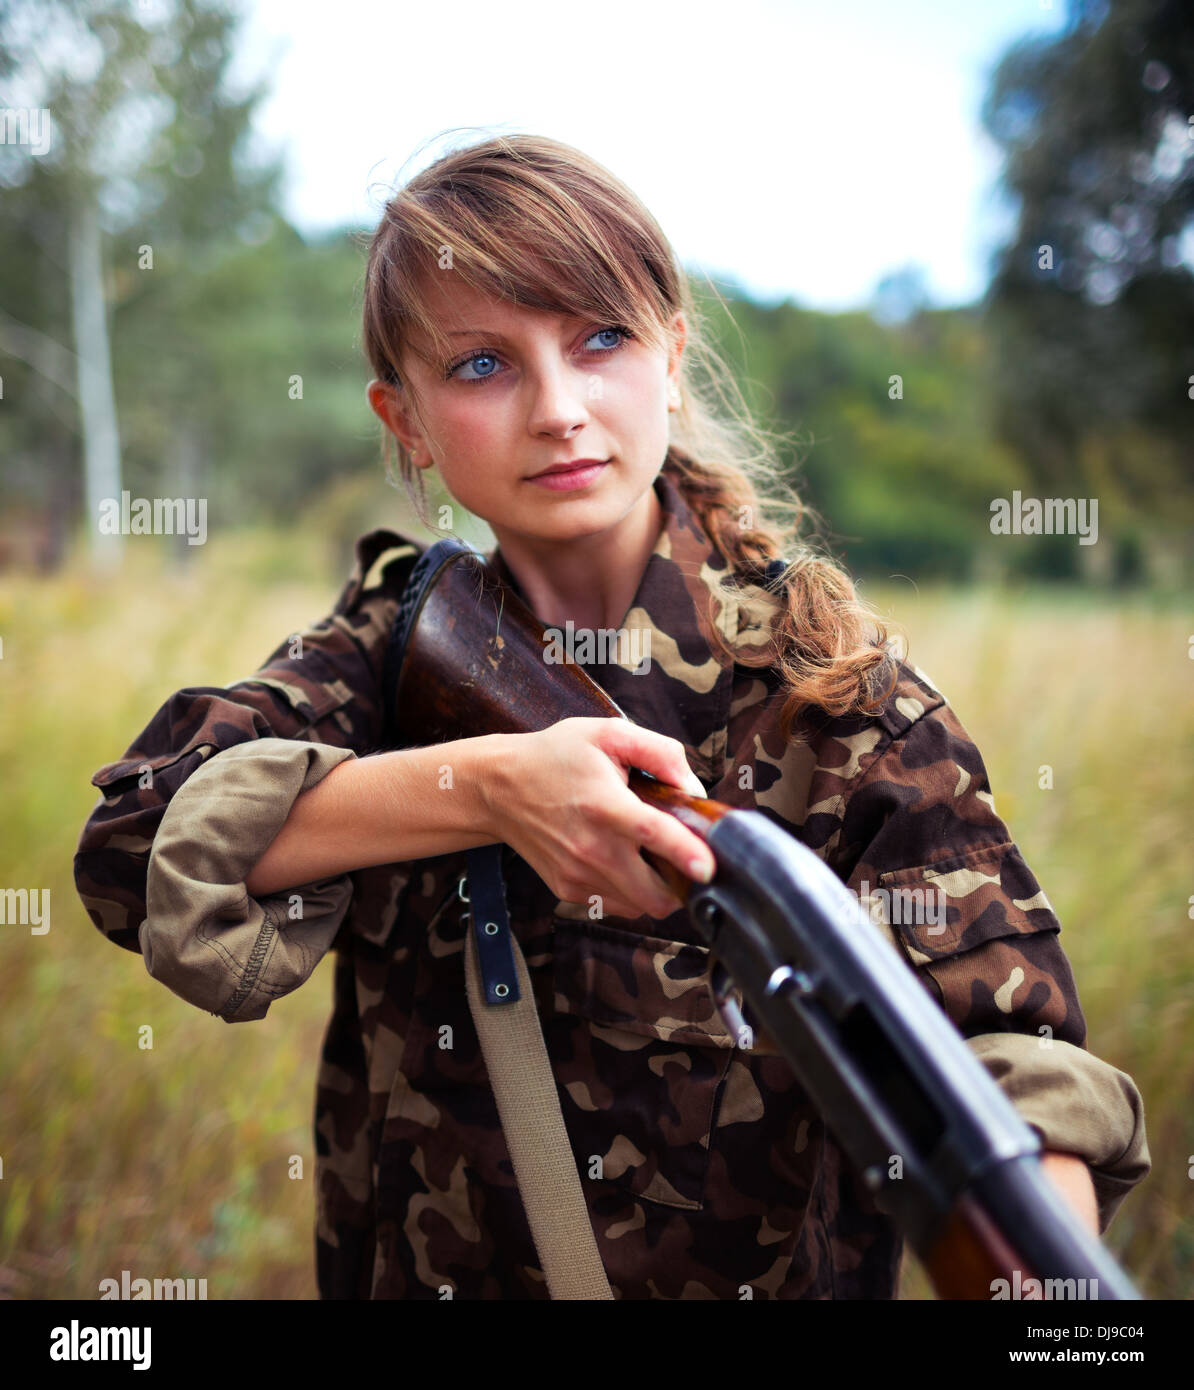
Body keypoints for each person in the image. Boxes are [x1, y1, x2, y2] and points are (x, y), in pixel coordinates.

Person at [74, 131, 1149, 1300]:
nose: (558, 408)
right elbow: (138, 840)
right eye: (483, 365)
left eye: (601, 340)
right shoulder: (390, 656)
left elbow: (1020, 1061)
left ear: (672, 359)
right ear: (408, 424)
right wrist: (481, 788)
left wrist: (1050, 1294)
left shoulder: (837, 697)